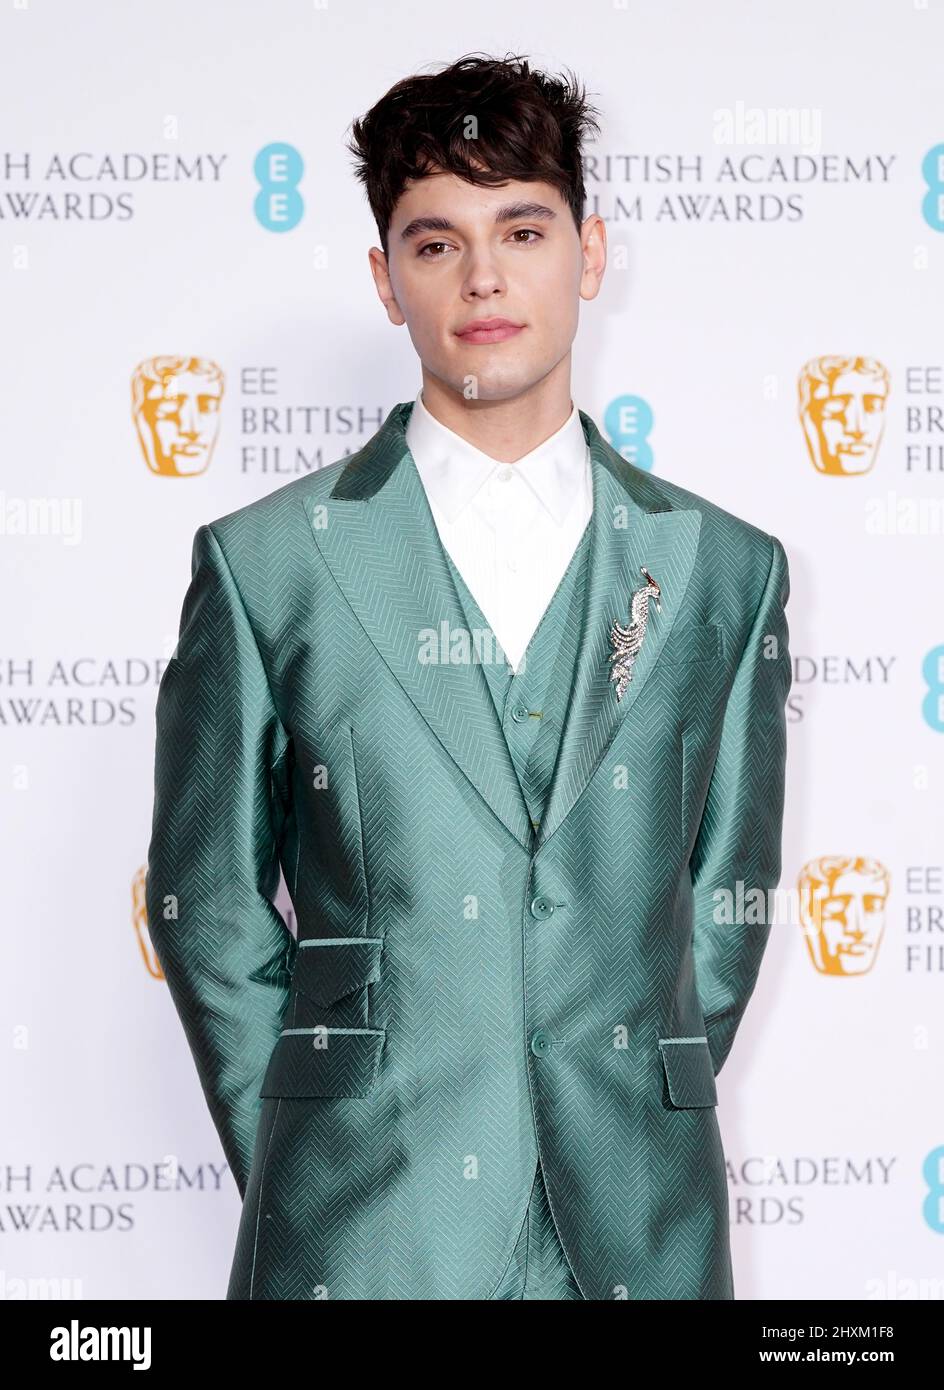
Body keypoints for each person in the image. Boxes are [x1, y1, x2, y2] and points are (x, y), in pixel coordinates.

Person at [145, 51, 792, 1301]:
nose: (483, 276)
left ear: (589, 255)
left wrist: (621, 1103)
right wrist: (310, 1147)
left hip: (640, 1233)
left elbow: (726, 897)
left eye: (522, 230)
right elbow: (207, 902)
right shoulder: (266, 564)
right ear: (384, 279)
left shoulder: (723, 569)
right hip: (358, 1232)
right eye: (435, 242)